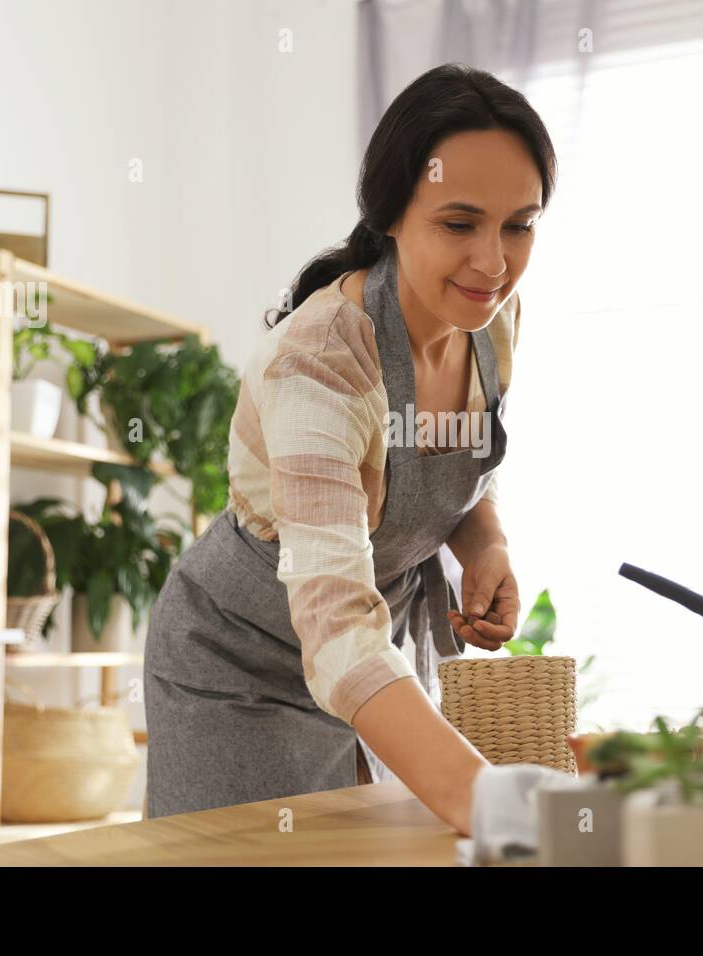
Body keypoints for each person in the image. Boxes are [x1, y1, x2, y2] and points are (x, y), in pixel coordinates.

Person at [144, 62, 558, 837]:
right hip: (245, 664)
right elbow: (333, 626)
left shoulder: (493, 321)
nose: (494, 263)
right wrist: (502, 808)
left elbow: (453, 456)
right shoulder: (320, 367)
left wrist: (484, 542)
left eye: (520, 225)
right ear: (392, 212)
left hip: (376, 645)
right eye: (459, 224)